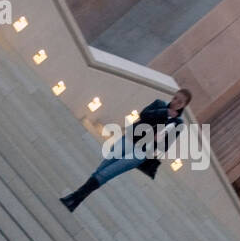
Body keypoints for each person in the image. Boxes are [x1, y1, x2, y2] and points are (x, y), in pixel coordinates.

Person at [59, 88, 191, 212]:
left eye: (180, 102)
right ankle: (75, 200)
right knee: (102, 168)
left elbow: (165, 146)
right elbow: (144, 115)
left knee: (107, 173)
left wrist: (158, 141)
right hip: (129, 139)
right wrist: (164, 113)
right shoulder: (160, 104)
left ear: (184, 105)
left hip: (141, 152)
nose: (175, 103)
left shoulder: (178, 124)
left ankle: (74, 197)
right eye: (175, 98)